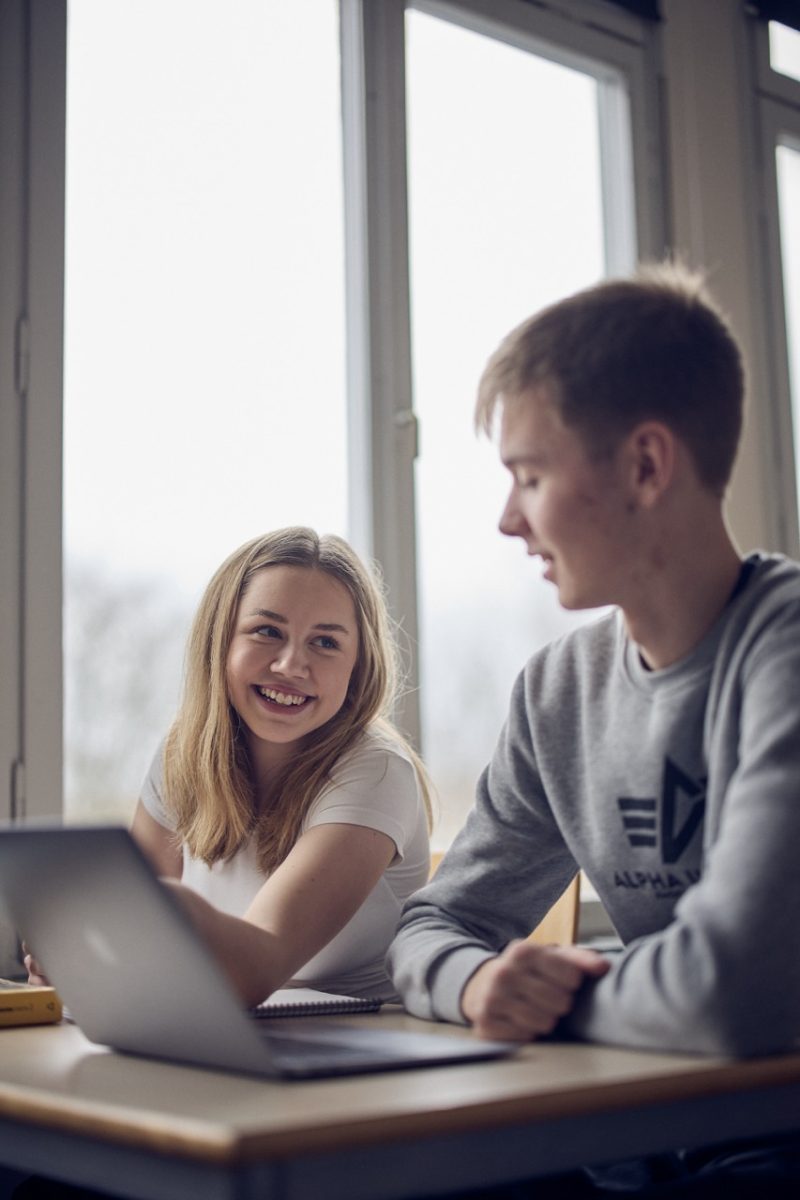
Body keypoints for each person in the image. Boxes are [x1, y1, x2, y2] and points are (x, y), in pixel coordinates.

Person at [388, 263, 800, 1195]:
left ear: (647, 466)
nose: (506, 520)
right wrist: (476, 984)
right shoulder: (556, 692)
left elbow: (735, 995)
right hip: (644, 1137)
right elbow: (432, 921)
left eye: (528, 476)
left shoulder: (785, 651)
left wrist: (560, 1002)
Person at [28, 526, 431, 1006]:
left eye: (325, 643)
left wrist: (132, 914)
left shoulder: (378, 772)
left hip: (359, 1049)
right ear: (219, 642)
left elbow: (255, 964)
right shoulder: (184, 754)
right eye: (267, 632)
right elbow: (141, 956)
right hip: (215, 1029)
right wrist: (81, 954)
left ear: (358, 666)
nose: (290, 665)